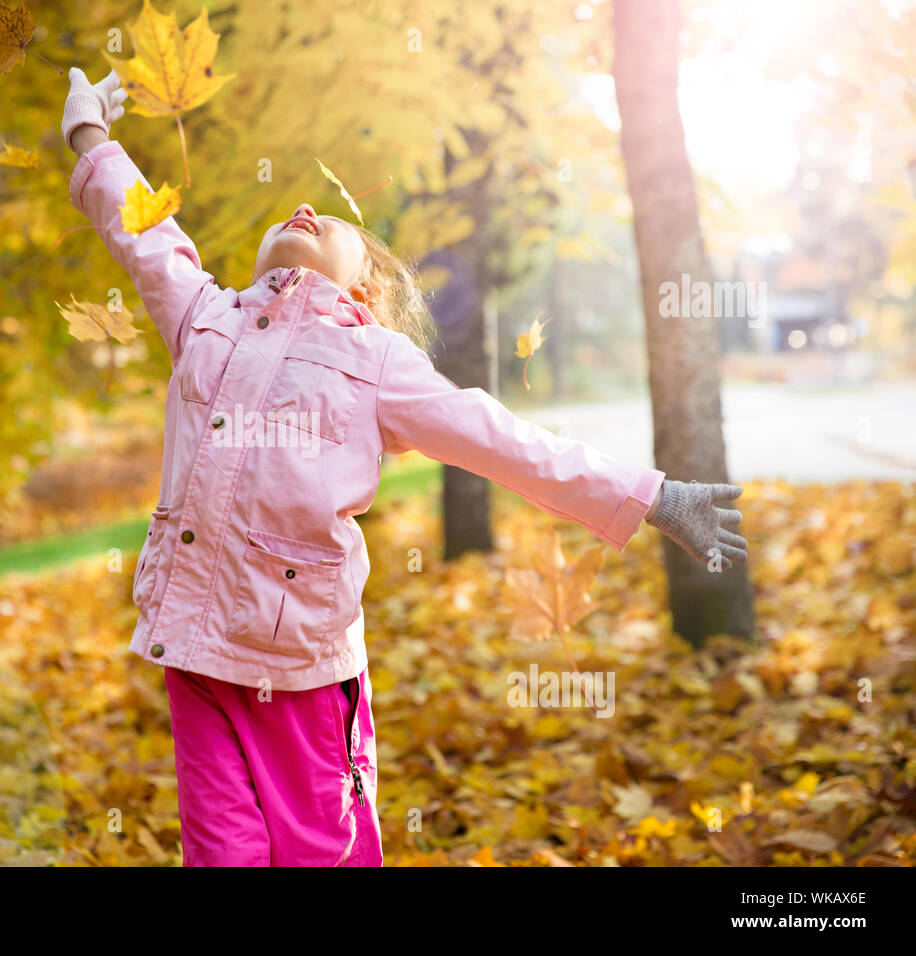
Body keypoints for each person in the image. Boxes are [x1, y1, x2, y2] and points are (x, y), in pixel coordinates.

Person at [60, 68, 748, 866]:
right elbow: (142, 235)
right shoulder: (208, 318)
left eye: (331, 221)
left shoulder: (375, 360)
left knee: (321, 852)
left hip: (301, 668)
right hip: (197, 654)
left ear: (364, 286)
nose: (304, 209)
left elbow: (503, 440)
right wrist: (91, 135)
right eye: (293, 212)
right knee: (223, 854)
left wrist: (653, 495)